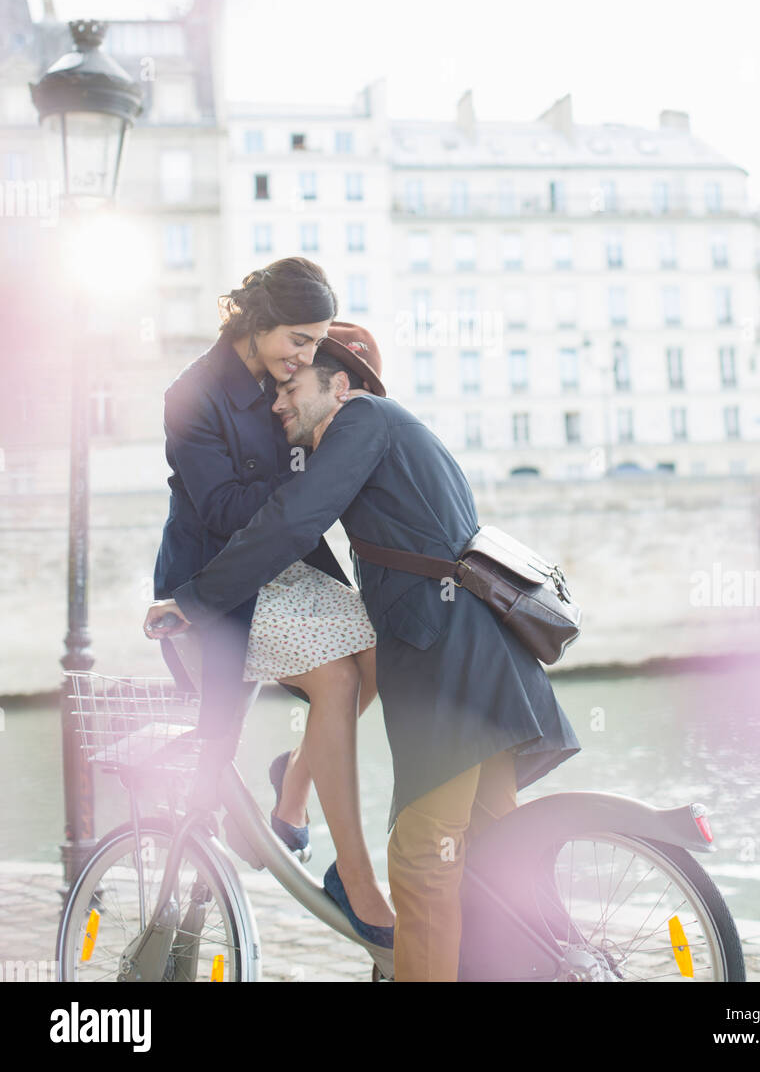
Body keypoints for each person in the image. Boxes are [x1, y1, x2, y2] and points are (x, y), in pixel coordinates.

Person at [145, 326, 580, 982]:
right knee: (497, 860)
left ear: (339, 386)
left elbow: (295, 518)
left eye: (292, 386)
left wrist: (199, 599)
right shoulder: (388, 435)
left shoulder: (363, 419)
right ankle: (572, 965)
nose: (278, 402)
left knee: (420, 866)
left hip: (450, 667)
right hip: (483, 661)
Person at [152, 259, 394, 938]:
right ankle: (348, 875)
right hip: (222, 580)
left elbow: (359, 404)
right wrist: (314, 496)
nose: (307, 356)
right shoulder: (191, 396)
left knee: (383, 654)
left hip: (290, 566)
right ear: (256, 324)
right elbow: (226, 507)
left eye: (316, 342)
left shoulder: (300, 368)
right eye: (297, 340)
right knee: (339, 683)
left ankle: (293, 784)